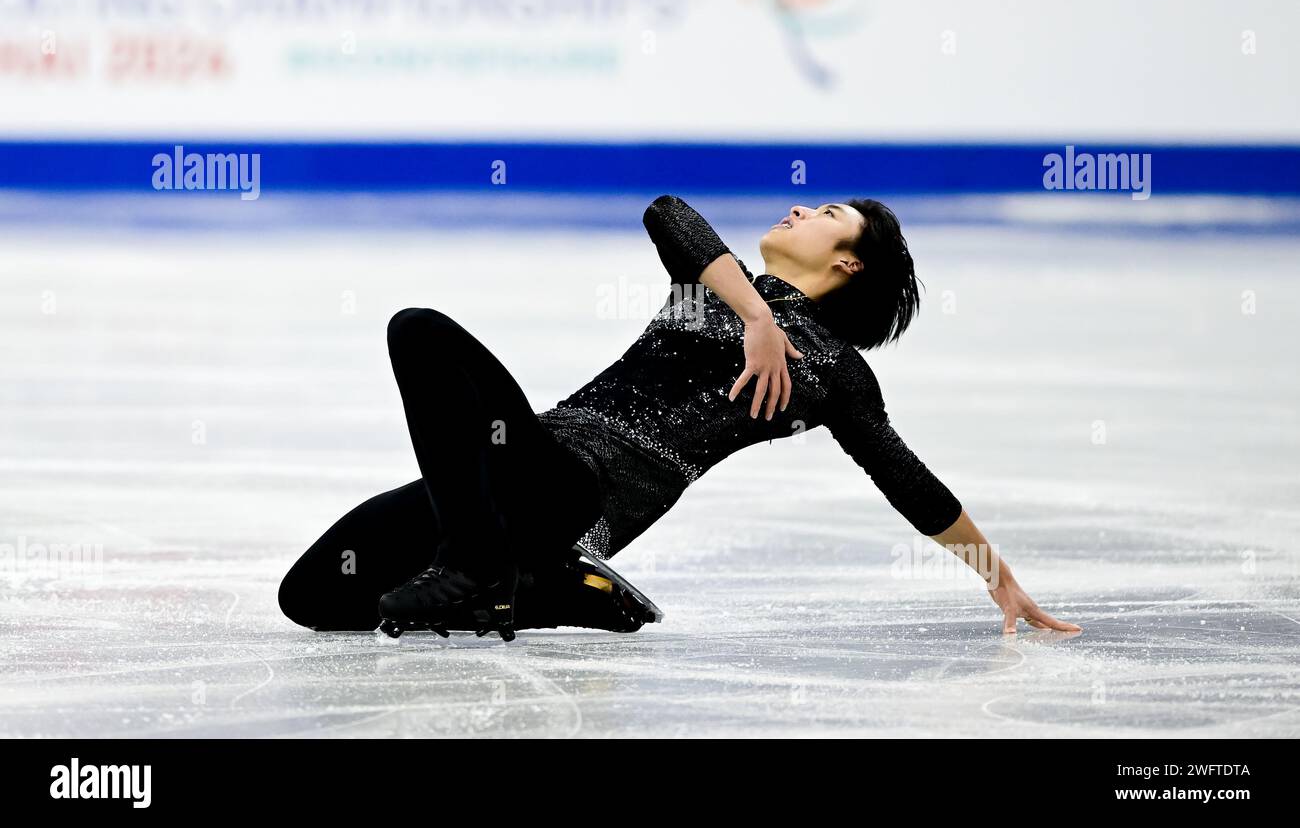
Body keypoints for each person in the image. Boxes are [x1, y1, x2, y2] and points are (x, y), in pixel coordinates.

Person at [278, 195, 1081, 640]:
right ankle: (543, 589)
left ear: (849, 262)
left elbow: (905, 477)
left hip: (574, 496)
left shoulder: (836, 373)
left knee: (419, 329)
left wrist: (997, 577)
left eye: (828, 213)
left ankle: (500, 571)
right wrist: (757, 319)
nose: (800, 206)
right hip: (508, 479)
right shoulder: (710, 288)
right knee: (313, 598)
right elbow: (669, 214)